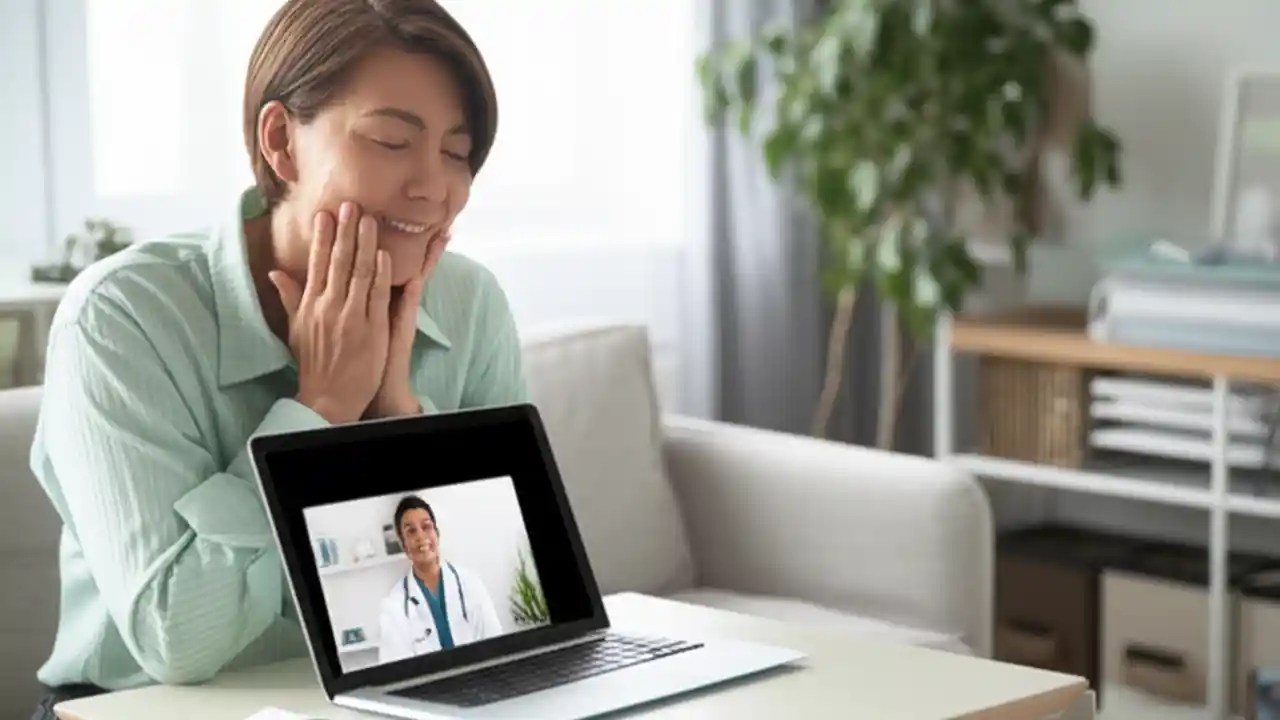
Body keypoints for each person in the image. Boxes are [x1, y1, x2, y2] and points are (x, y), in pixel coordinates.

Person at [27, 1, 526, 717]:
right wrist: (319, 408)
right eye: (391, 140)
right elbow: (178, 641)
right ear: (281, 142)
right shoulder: (121, 317)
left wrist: (397, 419)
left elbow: (512, 604)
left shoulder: (470, 303)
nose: (433, 187)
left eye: (456, 152)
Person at [377, 496, 501, 664]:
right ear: (403, 545)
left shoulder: (470, 583)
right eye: (411, 531)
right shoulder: (394, 606)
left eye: (426, 527)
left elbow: (497, 646)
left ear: (437, 533)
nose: (421, 536)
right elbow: (395, 670)